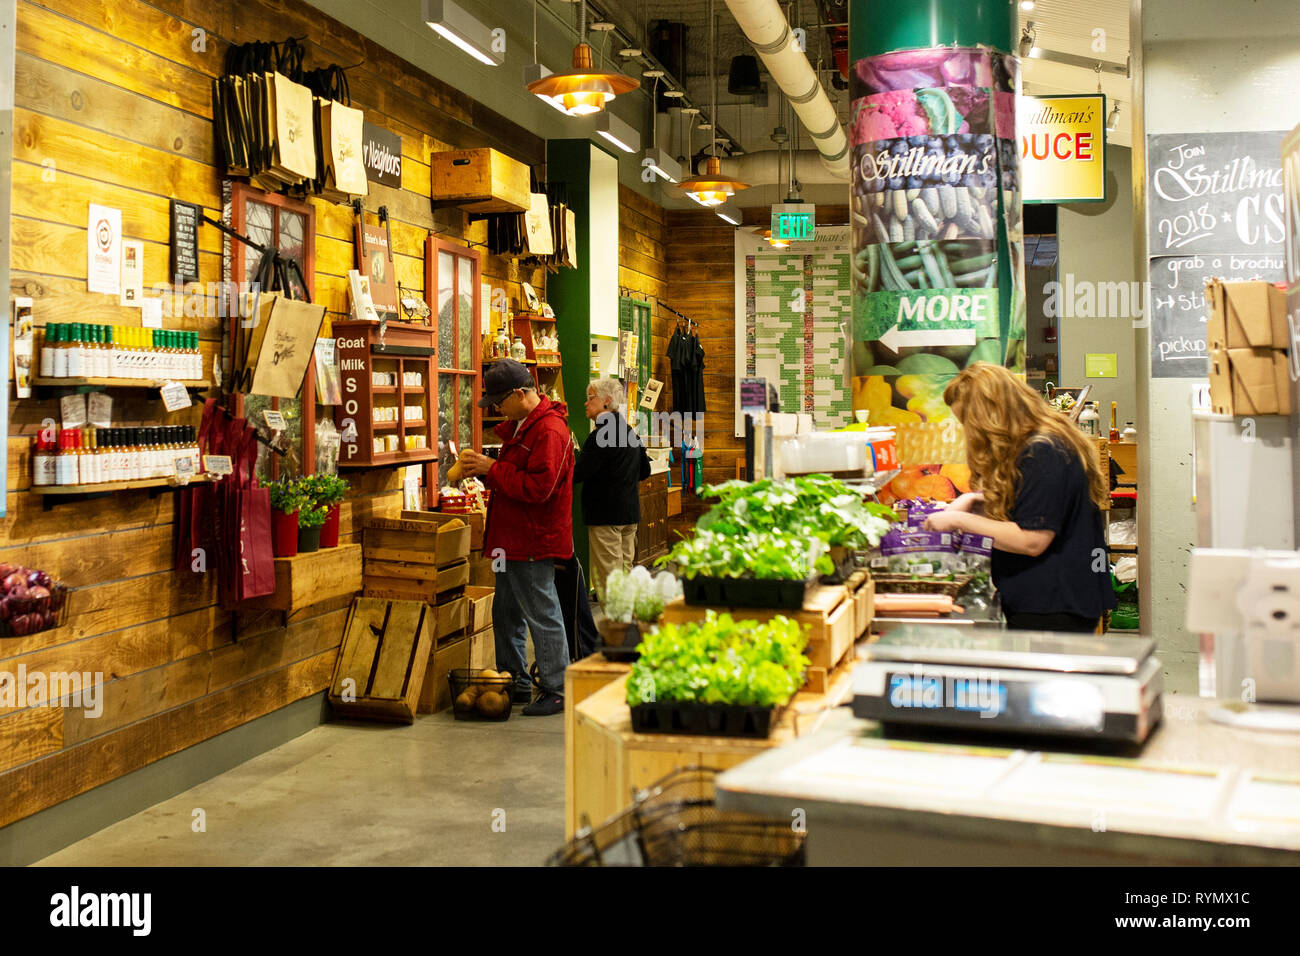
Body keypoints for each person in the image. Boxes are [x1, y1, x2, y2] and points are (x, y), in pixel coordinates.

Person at [923, 363, 1116, 632]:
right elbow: (1035, 504)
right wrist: (975, 502)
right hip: (1054, 599)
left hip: (1054, 607)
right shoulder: (1042, 442)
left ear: (990, 416)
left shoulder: (1044, 452)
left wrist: (958, 520)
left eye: (968, 422)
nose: (969, 432)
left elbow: (1032, 539)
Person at [458, 359, 573, 716]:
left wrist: (493, 469)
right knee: (506, 611)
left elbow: (540, 489)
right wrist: (490, 468)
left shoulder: (550, 431)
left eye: (499, 401)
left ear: (521, 394)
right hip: (509, 540)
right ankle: (514, 681)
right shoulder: (524, 427)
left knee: (541, 611)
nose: (495, 408)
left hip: (533, 540)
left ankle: (557, 688)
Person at [574, 379, 651, 600]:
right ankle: (630, 630)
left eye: (591, 398)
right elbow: (644, 470)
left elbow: (578, 474)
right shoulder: (629, 432)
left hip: (605, 517)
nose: (586, 403)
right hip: (629, 515)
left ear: (607, 401)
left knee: (610, 584)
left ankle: (617, 633)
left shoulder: (599, 436)